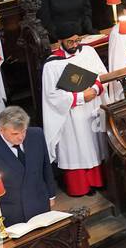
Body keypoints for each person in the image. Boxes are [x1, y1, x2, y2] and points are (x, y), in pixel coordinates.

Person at [41, 34, 108, 196]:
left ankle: (98, 181)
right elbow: (51, 96)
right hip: (71, 114)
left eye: (77, 41)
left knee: (95, 142)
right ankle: (80, 187)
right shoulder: (51, 65)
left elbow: (103, 75)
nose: (74, 44)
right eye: (70, 41)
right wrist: (79, 97)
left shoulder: (89, 52)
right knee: (77, 146)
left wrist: (95, 89)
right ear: (60, 41)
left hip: (94, 104)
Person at [0, 107, 56, 230]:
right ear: (1, 130)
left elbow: (45, 167)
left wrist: (51, 195)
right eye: (15, 133)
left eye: (24, 131)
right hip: (11, 212)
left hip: (40, 203)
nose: (21, 137)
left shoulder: (36, 135)